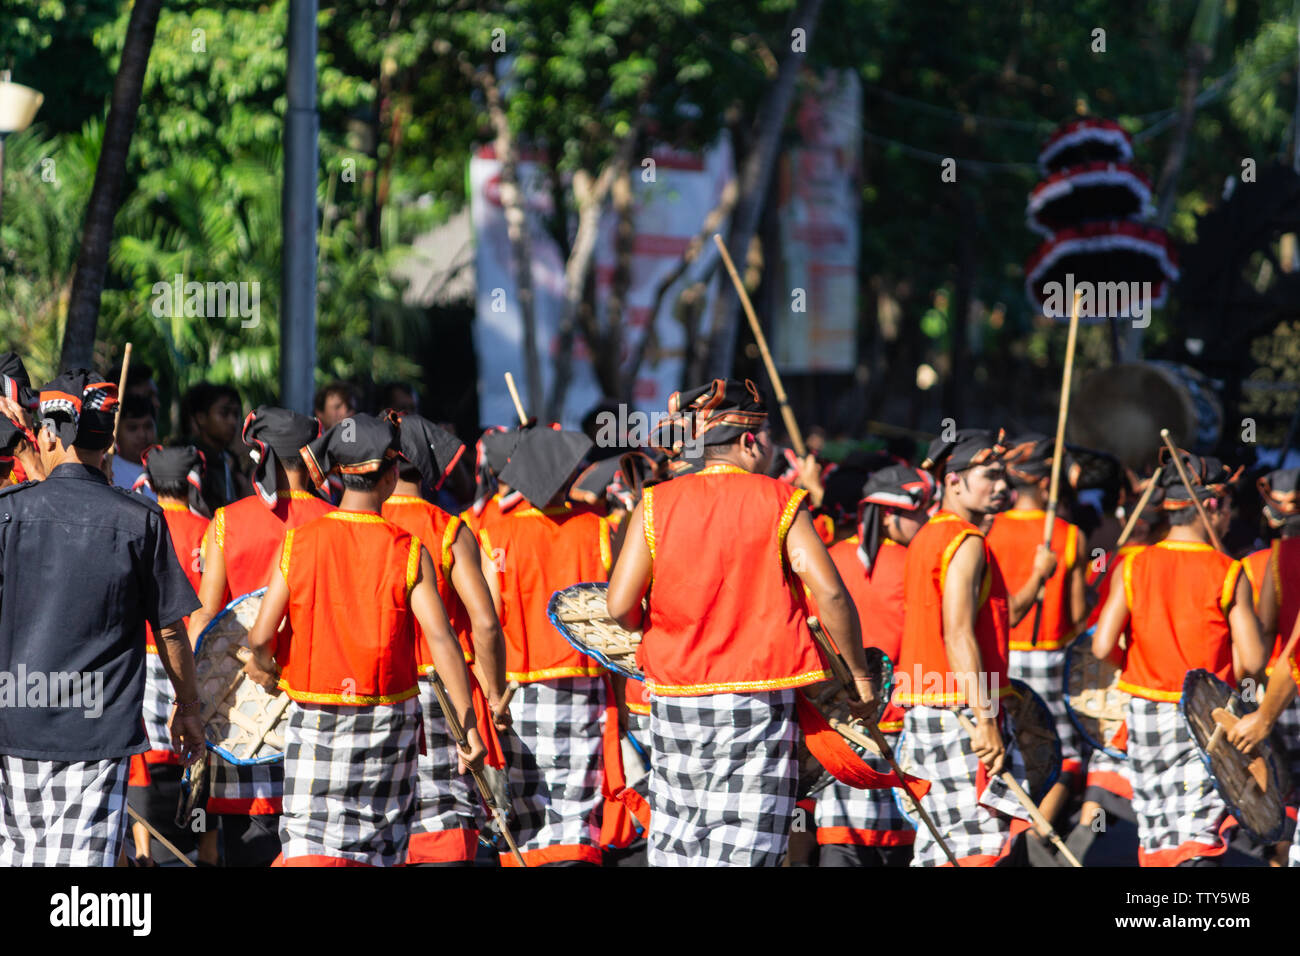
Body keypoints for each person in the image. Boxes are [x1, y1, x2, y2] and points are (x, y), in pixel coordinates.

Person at [607, 379, 878, 866]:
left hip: (675, 702)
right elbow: (832, 593)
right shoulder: (780, 500)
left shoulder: (654, 503)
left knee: (681, 840)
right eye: (768, 437)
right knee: (748, 843)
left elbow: (620, 606)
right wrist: (859, 677)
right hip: (758, 703)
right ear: (750, 441)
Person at [244, 413, 485, 866]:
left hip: (315, 725)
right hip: (387, 729)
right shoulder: (409, 550)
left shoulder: (299, 542)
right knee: (377, 849)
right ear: (392, 476)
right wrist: (468, 725)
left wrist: (266, 664)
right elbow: (443, 640)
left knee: (307, 844)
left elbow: (260, 635)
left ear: (337, 475)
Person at [0, 370, 203, 866]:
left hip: (16, 724)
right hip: (96, 734)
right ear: (107, 438)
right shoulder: (139, 519)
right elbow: (171, 628)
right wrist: (190, 707)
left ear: (49, 434)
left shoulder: (8, 514)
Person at [1093, 450, 1264, 867]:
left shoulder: (1133, 566)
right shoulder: (1227, 570)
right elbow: (1254, 660)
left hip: (1145, 713)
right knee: (1199, 828)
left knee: (1158, 827)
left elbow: (1101, 648)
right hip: (1204, 714)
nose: (1230, 516)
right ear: (1210, 505)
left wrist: (1133, 666)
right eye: (1227, 505)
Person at [893, 429, 1049, 867]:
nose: (1003, 486)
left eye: (1005, 475)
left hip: (926, 707)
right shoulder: (966, 542)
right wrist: (985, 719)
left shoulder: (926, 537)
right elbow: (957, 633)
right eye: (991, 474)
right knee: (976, 847)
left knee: (941, 844)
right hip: (961, 713)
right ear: (954, 479)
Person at [186, 406, 333, 866]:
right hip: (319, 709)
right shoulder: (337, 521)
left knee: (248, 848)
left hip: (241, 719)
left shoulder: (228, 521)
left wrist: (187, 701)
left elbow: (204, 621)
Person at [479, 423, 615, 866]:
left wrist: (491, 689)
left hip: (513, 689)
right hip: (582, 683)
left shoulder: (493, 532)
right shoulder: (596, 528)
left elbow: (488, 620)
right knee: (576, 802)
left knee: (524, 804)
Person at [380, 411, 510, 865]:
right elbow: (486, 622)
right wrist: (494, 694)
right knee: (446, 814)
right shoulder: (448, 529)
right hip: (442, 690)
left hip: (374, 691)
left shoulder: (355, 526)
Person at [813, 463, 937, 867]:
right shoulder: (917, 565)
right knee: (895, 846)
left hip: (839, 720)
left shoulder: (825, 560)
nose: (926, 519)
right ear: (888, 513)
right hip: (893, 720)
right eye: (918, 511)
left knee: (842, 841)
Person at [985, 433, 1088, 827]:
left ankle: (1013, 824)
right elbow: (1078, 616)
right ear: (1046, 482)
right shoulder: (1071, 536)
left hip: (998, 655)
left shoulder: (987, 530)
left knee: (1009, 743)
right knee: (1066, 749)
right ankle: (1038, 827)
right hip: (1050, 657)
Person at [126, 444, 210, 864]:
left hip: (143, 651)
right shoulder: (209, 529)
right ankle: (202, 846)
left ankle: (142, 848)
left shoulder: (139, 524)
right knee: (196, 751)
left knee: (141, 756)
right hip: (191, 656)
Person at [184, 381, 250, 513]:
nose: (232, 422)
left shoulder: (230, 459)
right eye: (224, 414)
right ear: (201, 418)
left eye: (236, 415)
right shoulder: (190, 458)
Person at [111, 395, 159, 501]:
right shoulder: (109, 471)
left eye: (148, 426)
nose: (142, 435)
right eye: (132, 428)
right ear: (116, 433)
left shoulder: (168, 469)